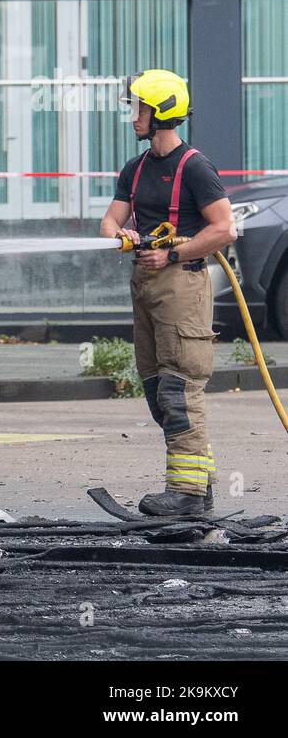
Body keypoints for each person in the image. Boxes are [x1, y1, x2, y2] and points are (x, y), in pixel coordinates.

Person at [99, 69, 237, 516]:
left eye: (138, 107)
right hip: (144, 286)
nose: (133, 115)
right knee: (159, 390)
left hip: (182, 285)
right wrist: (120, 236)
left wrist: (172, 256)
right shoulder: (135, 169)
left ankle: (188, 495)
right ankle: (198, 484)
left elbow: (224, 229)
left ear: (160, 112)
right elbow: (110, 221)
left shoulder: (195, 167)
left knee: (180, 389)